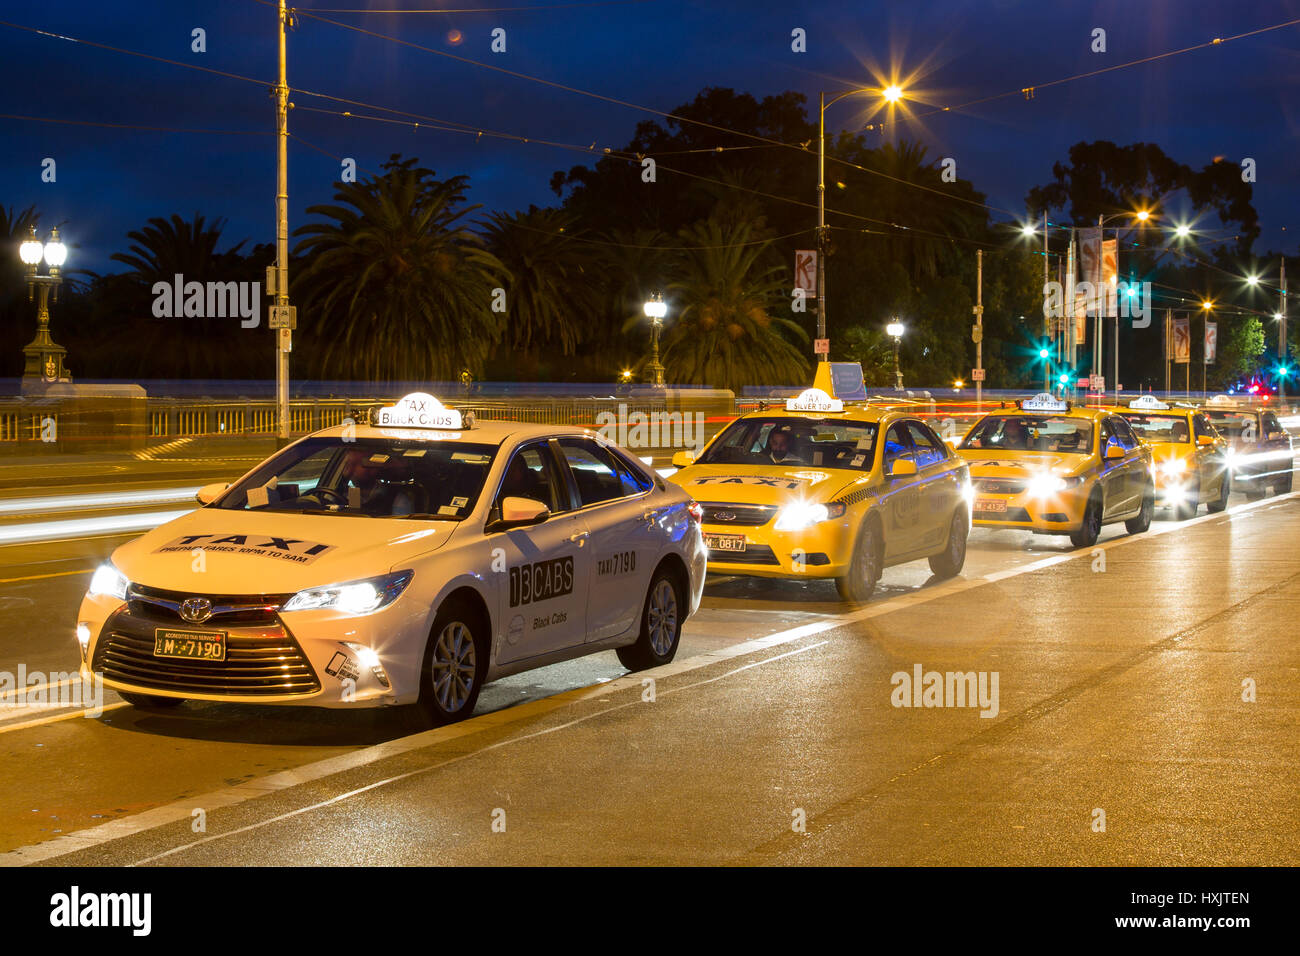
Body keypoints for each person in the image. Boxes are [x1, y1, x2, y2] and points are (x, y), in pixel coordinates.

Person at [339, 447, 414, 516]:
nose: (350, 470)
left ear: (371, 466)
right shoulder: (343, 493)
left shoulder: (397, 499)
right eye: (349, 464)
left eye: (356, 464)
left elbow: (400, 526)